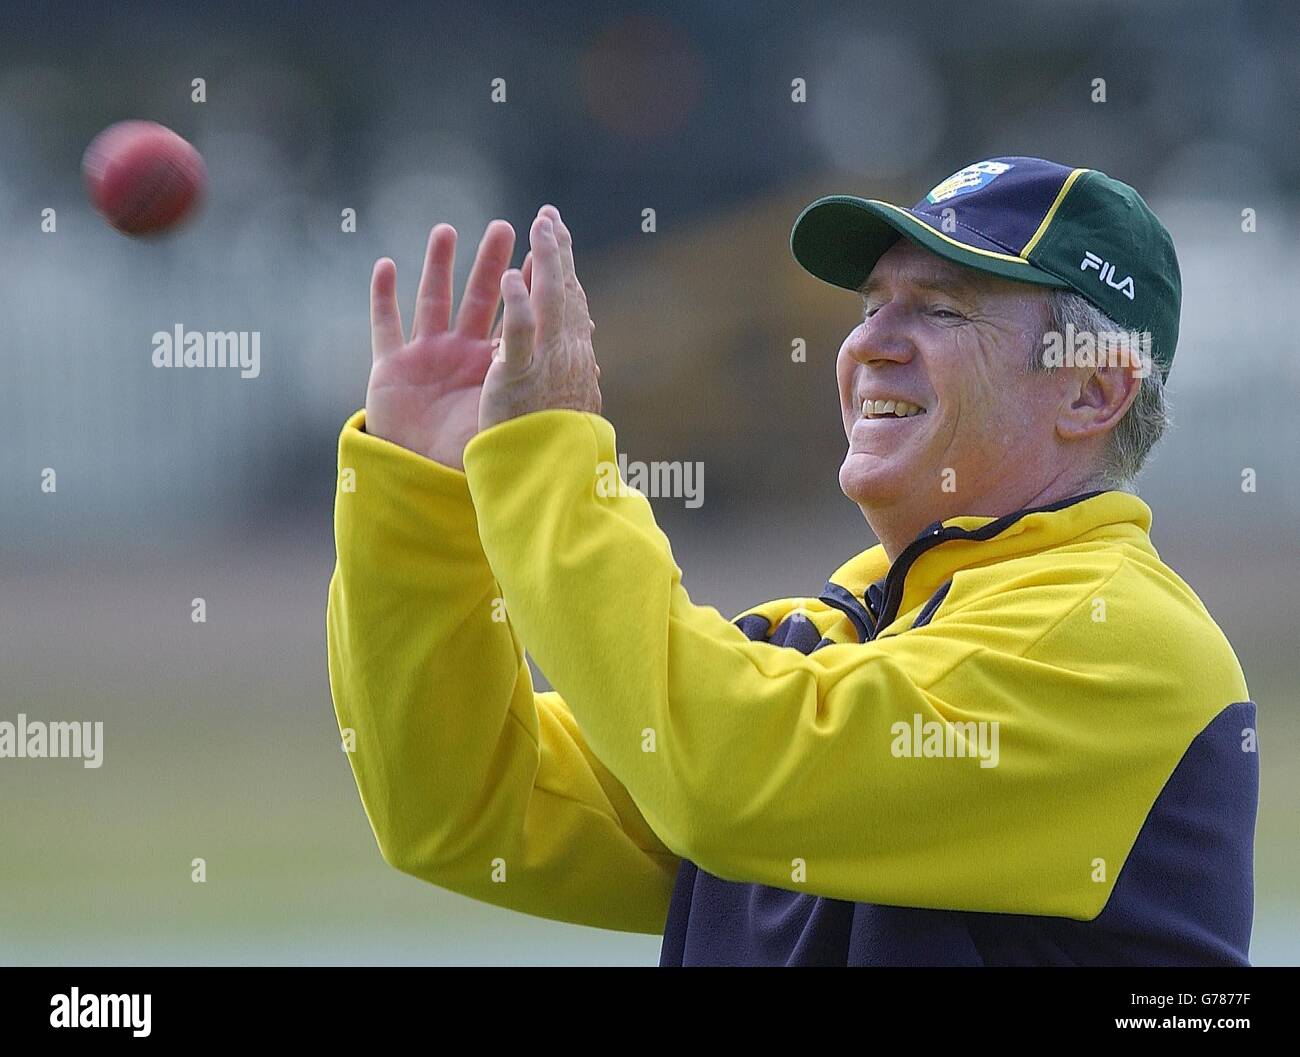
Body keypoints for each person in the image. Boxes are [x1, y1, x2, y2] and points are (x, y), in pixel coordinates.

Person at [327, 159, 1257, 965]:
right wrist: (421, 497)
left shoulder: (1116, 639)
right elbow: (464, 811)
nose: (867, 344)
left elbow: (723, 777)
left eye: (939, 309)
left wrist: (549, 455)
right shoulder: (850, 626)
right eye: (871, 306)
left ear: (1094, 389)